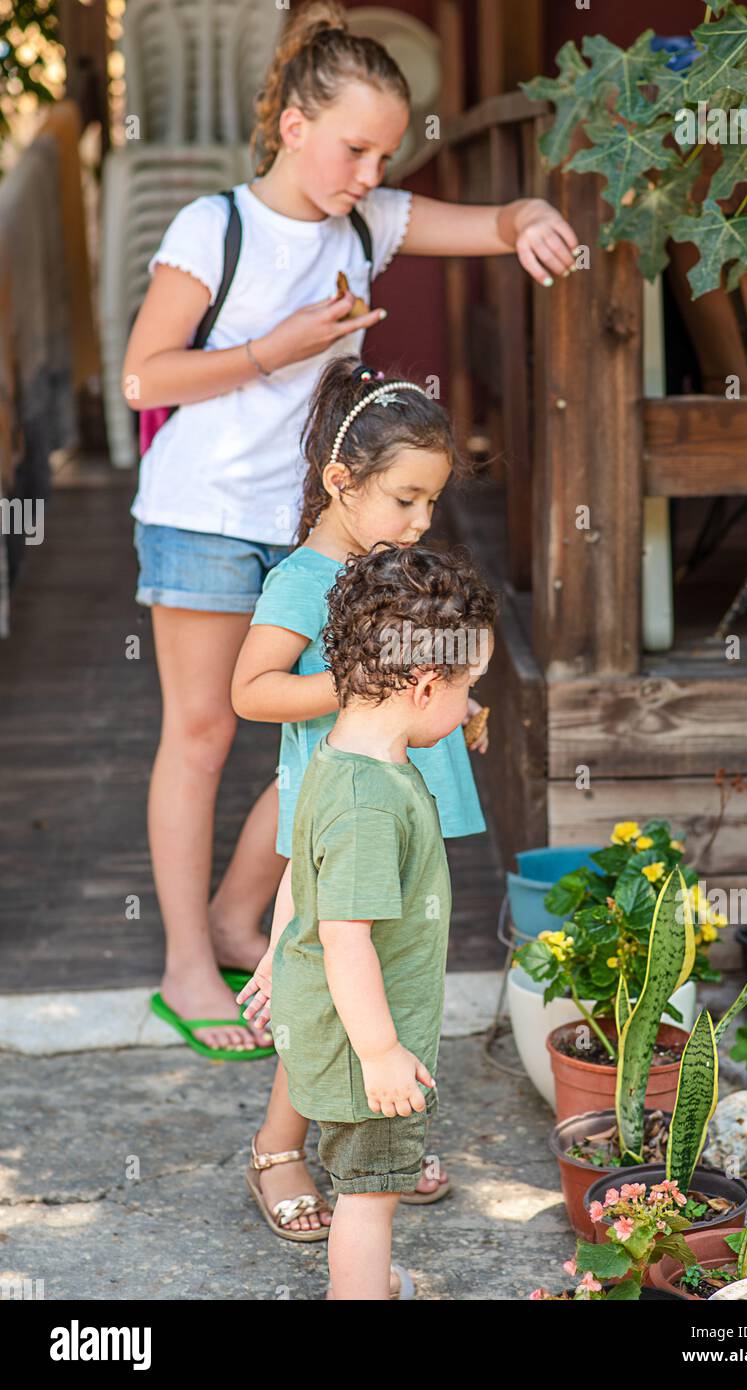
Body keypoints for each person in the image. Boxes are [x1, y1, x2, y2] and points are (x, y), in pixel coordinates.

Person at [123, 0, 579, 1058]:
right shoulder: (214, 227)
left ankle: (243, 918)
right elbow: (145, 371)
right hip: (198, 514)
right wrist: (276, 349)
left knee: (325, 726)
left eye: (386, 153)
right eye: (354, 148)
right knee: (200, 735)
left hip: (313, 531)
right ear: (291, 125)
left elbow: (491, 225)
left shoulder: (368, 222)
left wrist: (526, 220)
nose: (372, 173)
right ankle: (187, 960)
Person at [232, 355, 489, 1236]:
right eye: (404, 499)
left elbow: (429, 667)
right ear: (341, 482)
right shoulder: (304, 581)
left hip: (401, 799)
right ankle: (278, 1148)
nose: (420, 521)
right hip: (340, 814)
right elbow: (252, 691)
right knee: (324, 991)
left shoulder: (392, 570)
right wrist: (364, 684)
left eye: (431, 502)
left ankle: (377, 1141)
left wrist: (462, 703)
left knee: (396, 976)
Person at [268, 541, 497, 1298]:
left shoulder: (337, 758)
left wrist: (276, 953)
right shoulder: (370, 805)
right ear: (426, 683)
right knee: (369, 1195)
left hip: (334, 1025)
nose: (471, 707)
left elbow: (304, 878)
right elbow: (345, 935)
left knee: (363, 1182)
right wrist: (381, 1054)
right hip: (364, 1040)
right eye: (467, 688)